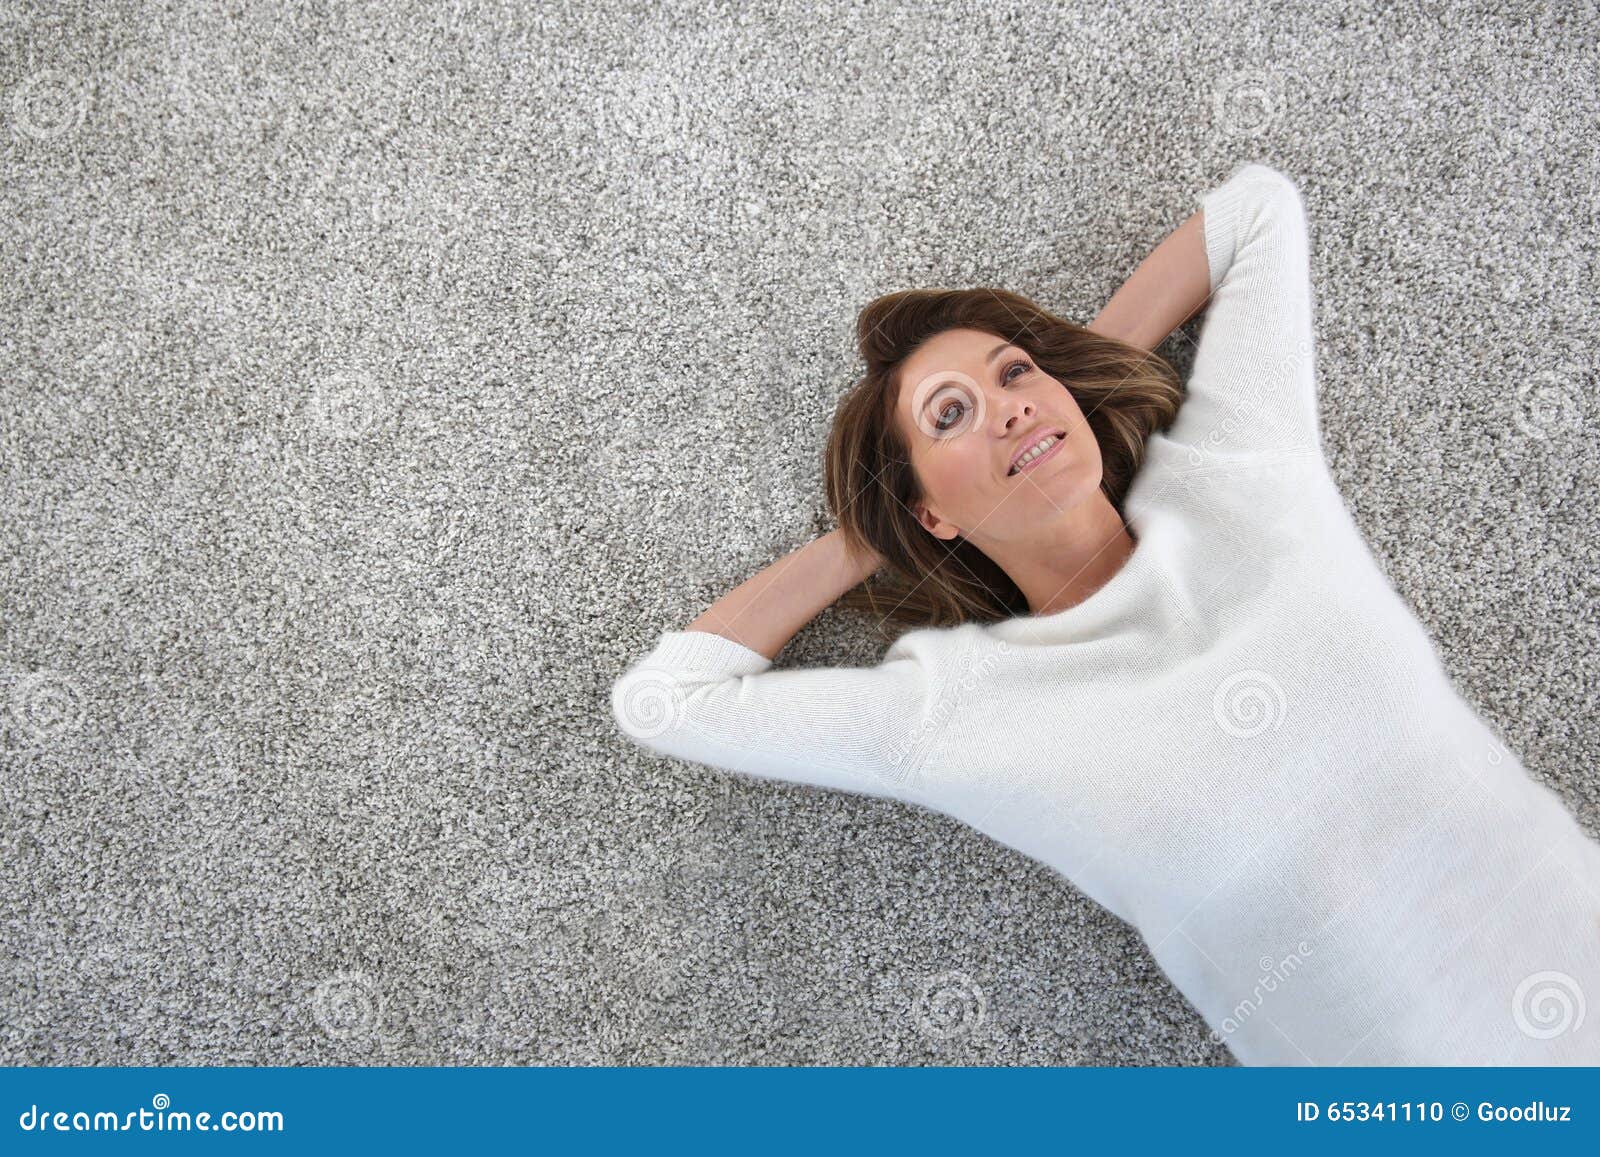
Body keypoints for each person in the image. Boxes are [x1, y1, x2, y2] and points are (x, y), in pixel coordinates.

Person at [611, 162, 1600, 1065]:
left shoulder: (1239, 473)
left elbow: (1257, 212)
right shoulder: (964, 710)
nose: (1008, 404)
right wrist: (874, 531)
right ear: (931, 512)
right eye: (949, 414)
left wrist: (1068, 385)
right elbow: (664, 700)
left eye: (1014, 372)